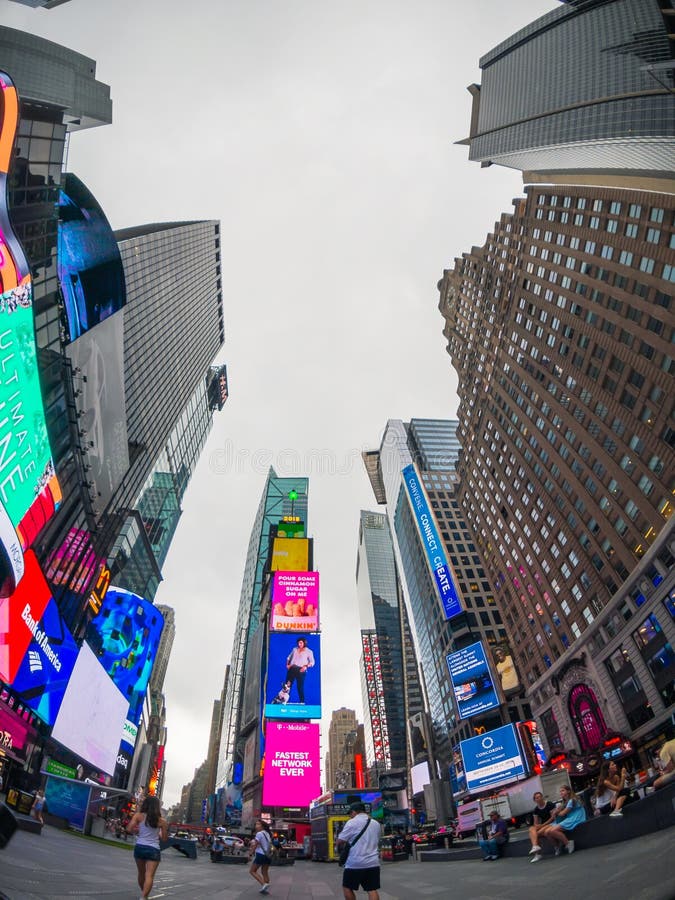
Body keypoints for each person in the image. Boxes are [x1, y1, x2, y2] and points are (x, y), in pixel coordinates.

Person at [126, 795, 168, 900]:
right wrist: (158, 834)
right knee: (149, 876)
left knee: (141, 873)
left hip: (140, 847)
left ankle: (144, 893)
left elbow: (129, 829)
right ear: (157, 807)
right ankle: (144, 897)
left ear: (146, 804)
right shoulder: (162, 821)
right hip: (153, 849)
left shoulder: (138, 816)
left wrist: (138, 831)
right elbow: (164, 839)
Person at [336, 801, 381, 900]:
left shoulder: (352, 822)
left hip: (355, 862)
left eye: (350, 813)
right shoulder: (376, 823)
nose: (350, 816)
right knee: (372, 889)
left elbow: (340, 841)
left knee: (347, 887)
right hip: (373, 862)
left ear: (354, 812)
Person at [537, 785, 586, 855]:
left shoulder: (572, 800)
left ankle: (568, 843)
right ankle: (558, 847)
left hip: (576, 818)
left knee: (552, 830)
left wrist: (557, 812)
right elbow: (557, 813)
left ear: (568, 791)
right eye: (560, 791)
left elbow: (562, 813)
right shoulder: (564, 802)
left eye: (563, 790)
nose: (561, 792)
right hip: (570, 818)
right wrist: (557, 811)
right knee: (547, 832)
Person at [528, 791, 557, 862]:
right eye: (537, 798)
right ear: (535, 800)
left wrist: (542, 825)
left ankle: (537, 853)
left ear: (542, 797)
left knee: (535, 834)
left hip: (552, 823)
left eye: (540, 797)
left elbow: (553, 818)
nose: (539, 799)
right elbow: (535, 823)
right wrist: (537, 826)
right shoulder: (536, 809)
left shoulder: (549, 804)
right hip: (544, 825)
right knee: (531, 829)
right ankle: (535, 848)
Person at [285, 637, 315, 704]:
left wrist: (306, 666)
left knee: (300, 687)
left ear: (304, 643)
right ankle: (284, 700)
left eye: (301, 643)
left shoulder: (309, 651)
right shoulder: (294, 649)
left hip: (301, 670)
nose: (299, 644)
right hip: (292, 669)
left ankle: (302, 702)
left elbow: (312, 662)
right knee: (287, 685)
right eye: (298, 643)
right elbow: (289, 657)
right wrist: (287, 665)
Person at [249, 818, 273, 894]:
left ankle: (264, 884)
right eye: (256, 824)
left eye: (258, 824)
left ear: (262, 826)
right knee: (264, 872)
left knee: (252, 871)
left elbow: (255, 845)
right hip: (267, 855)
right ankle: (265, 889)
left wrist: (250, 853)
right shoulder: (267, 833)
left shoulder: (259, 834)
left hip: (260, 854)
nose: (256, 825)